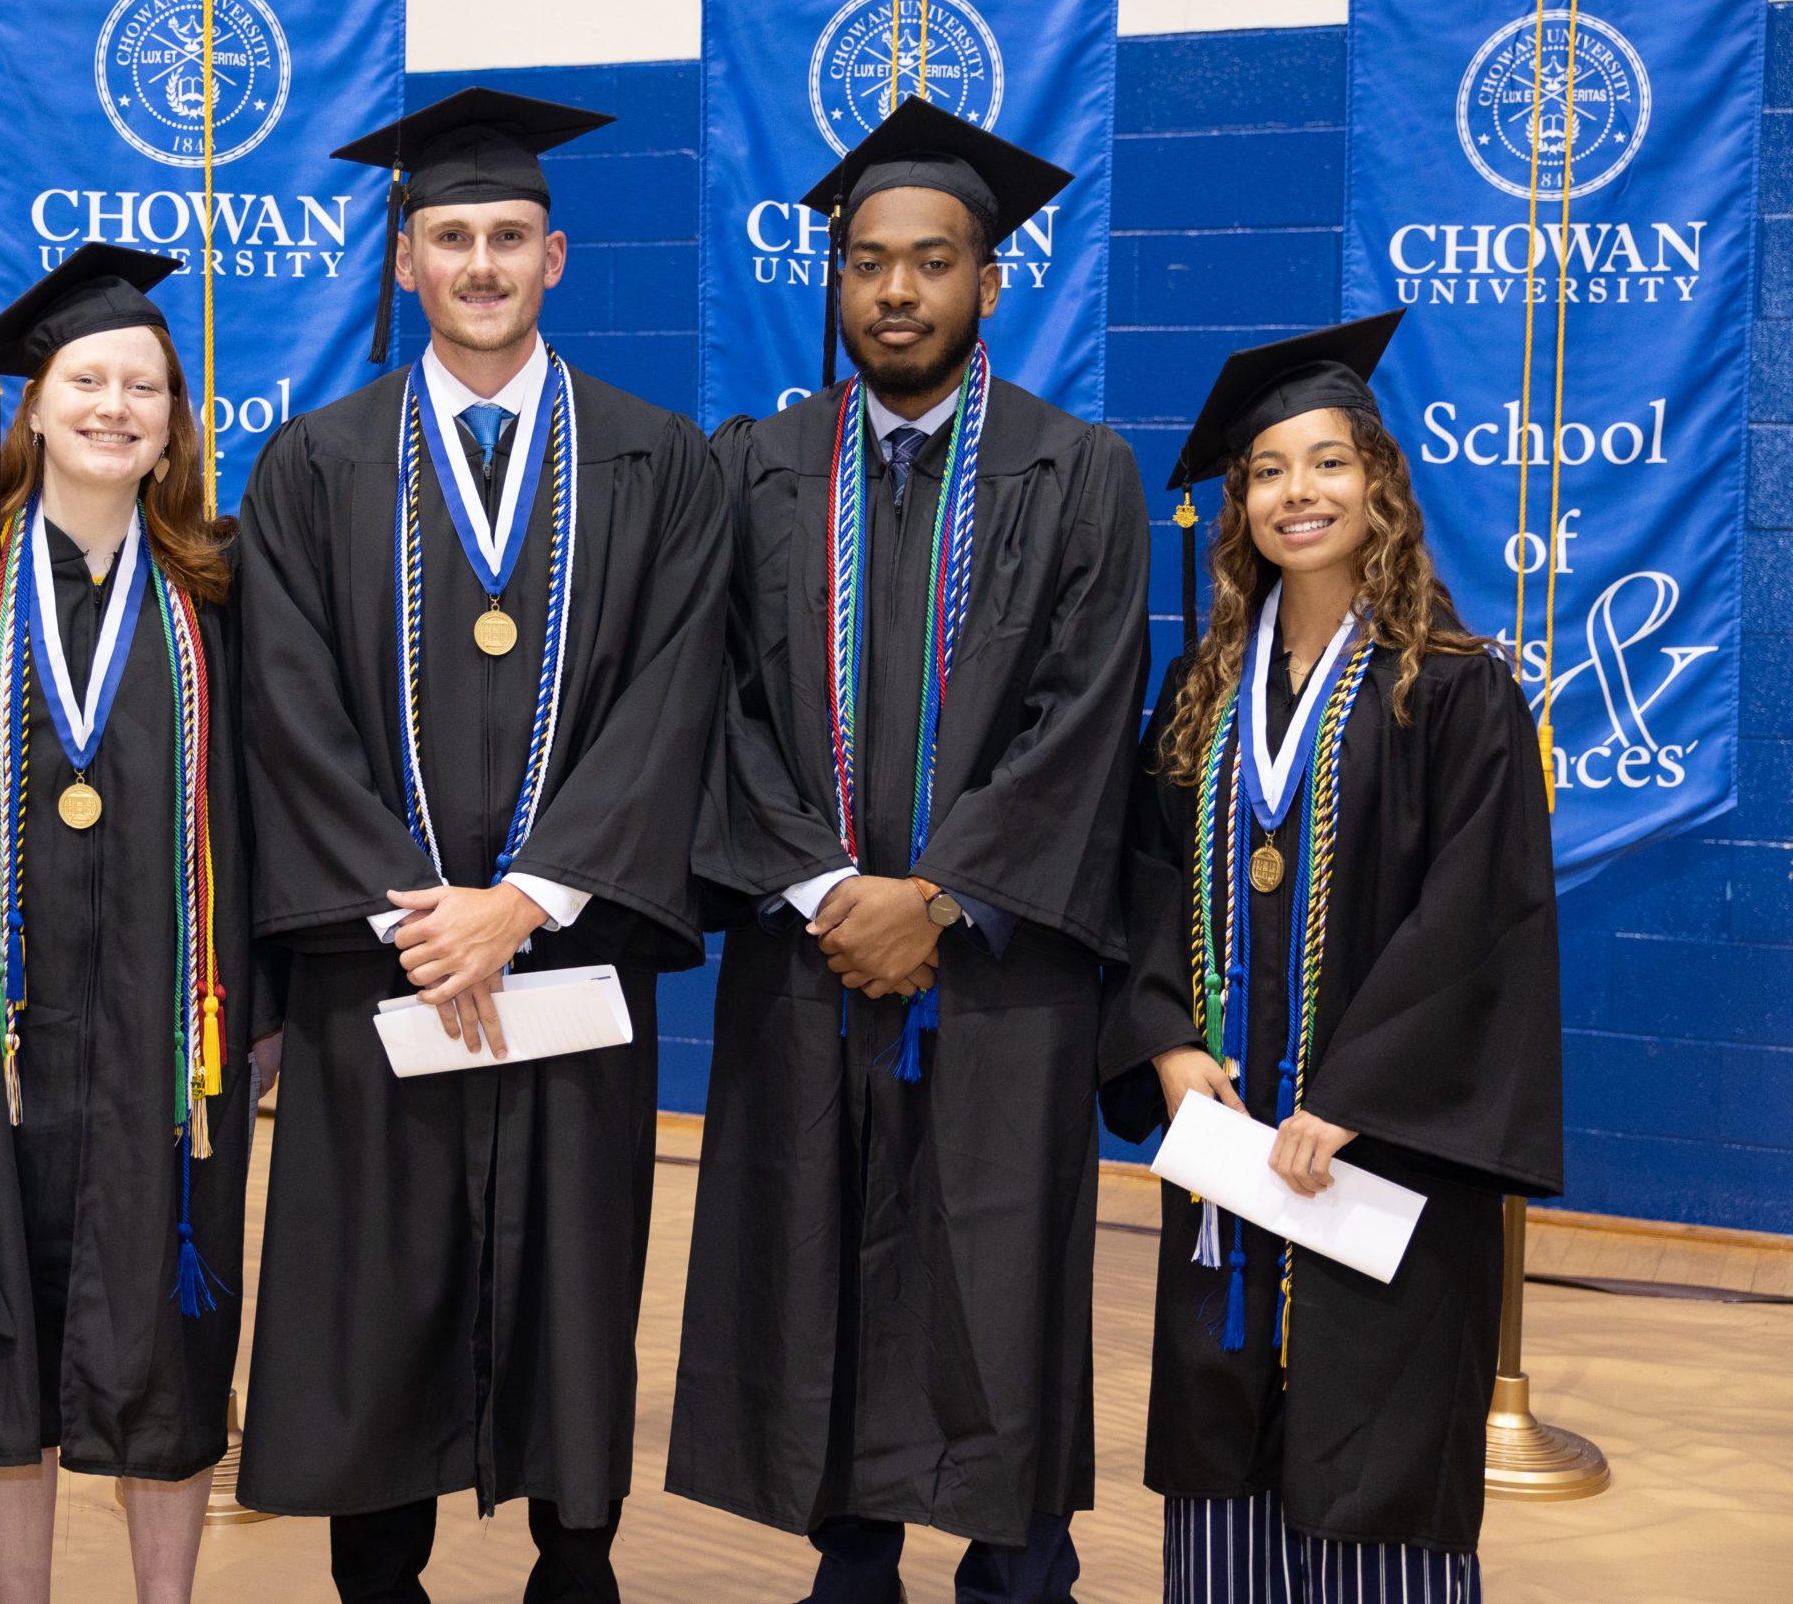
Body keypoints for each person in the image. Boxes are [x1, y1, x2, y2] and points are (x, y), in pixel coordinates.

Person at [235, 87, 729, 1604]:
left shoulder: (659, 461)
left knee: (575, 1269)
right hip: (382, 960)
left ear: (557, 257)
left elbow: (676, 690)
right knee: (368, 1277)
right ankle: (378, 1568)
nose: (482, 261)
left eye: (509, 235)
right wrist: (425, 917)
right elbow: (288, 707)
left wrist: (522, 897)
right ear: (402, 262)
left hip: (565, 951)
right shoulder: (312, 464)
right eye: (450, 236)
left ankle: (572, 1560)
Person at [669, 96, 1150, 1604]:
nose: (894, 290)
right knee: (820, 1252)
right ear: (833, 278)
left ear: (990, 279)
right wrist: (829, 889)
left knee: (997, 1265)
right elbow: (720, 702)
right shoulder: (758, 464)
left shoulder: (1081, 471)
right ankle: (850, 1555)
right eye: (867, 260)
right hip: (815, 947)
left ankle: (1020, 1560)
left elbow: (1083, 716)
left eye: (931, 261)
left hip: (998, 964)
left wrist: (939, 895)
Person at [1099, 312, 1562, 1602]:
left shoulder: (1456, 693)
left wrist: (1350, 1098)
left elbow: (1478, 925)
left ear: (1380, 487)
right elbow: (1138, 894)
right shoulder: (1200, 697)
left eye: (1327, 463)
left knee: (1379, 1456)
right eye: (1265, 472)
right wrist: (1165, 1040)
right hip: (1233, 1155)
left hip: (1381, 1161)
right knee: (1222, 1443)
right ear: (1237, 501)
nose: (1296, 494)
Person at [0, 244, 276, 1604]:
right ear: (31, 403)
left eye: (144, 386)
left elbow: (266, 806)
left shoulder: (217, 577)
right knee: (3, 1339)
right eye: (86, 379)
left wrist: (255, 1010)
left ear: (176, 418)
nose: (115, 405)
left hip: (170, 1044)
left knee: (168, 1331)